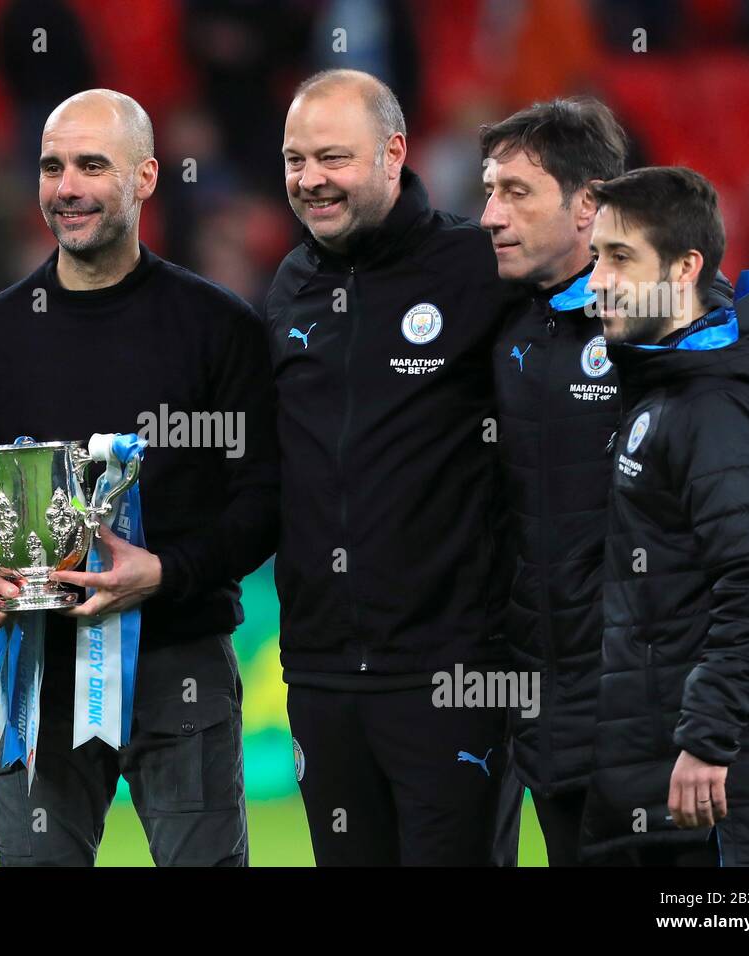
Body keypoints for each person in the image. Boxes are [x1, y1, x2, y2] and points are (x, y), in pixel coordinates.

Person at [0, 89, 279, 866]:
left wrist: (166, 573)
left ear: (147, 176)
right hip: (37, 667)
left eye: (93, 165)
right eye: (52, 166)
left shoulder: (220, 326)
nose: (67, 187)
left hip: (179, 660)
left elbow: (263, 501)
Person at [266, 68, 523, 866]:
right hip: (321, 676)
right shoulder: (289, 285)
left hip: (455, 677)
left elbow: (611, 329)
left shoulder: (478, 268)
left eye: (332, 158)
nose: (310, 180)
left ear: (393, 153)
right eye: (293, 159)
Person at [580, 166, 749, 866]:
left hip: (721, 783)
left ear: (686, 266)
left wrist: (706, 740)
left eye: (620, 257)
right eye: (597, 254)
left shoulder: (719, 404)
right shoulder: (678, 379)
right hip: (680, 760)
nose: (596, 278)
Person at [479, 97, 629, 866]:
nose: (489, 215)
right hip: (537, 699)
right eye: (487, 191)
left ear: (588, 205)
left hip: (645, 702)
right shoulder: (504, 325)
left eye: (515, 192)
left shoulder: (660, 322)